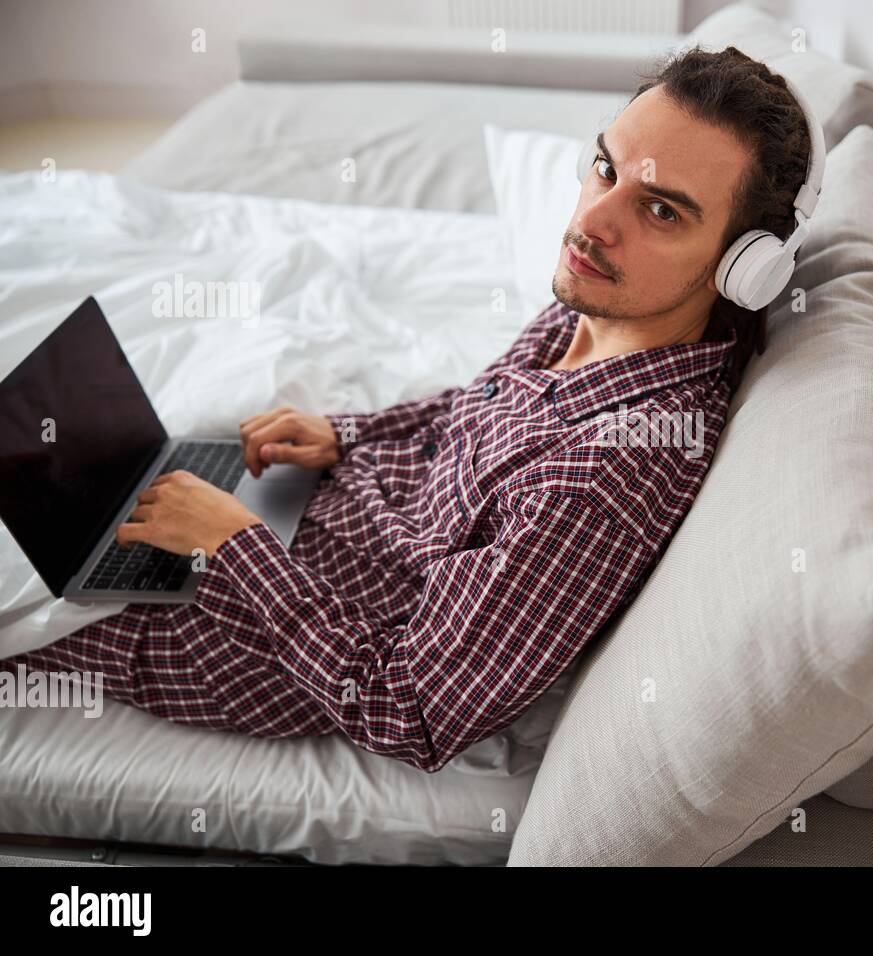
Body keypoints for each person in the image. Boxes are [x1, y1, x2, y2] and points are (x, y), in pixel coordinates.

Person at [1, 45, 816, 773]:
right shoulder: (605, 305)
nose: (592, 223)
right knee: (70, 465)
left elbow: (410, 711)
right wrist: (347, 435)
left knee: (33, 571)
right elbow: (480, 406)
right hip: (302, 512)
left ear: (743, 269)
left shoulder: (606, 482)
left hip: (255, 639)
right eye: (605, 169)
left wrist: (233, 541)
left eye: (662, 209)